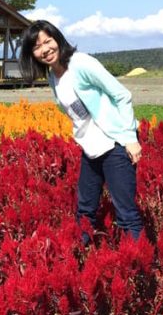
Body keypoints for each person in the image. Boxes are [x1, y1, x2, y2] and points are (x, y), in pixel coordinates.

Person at [19, 20, 144, 242]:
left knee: (126, 215)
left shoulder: (81, 63)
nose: (45, 49)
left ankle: (139, 266)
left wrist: (129, 138)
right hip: (91, 149)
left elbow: (121, 95)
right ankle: (81, 262)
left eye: (48, 41)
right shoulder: (53, 75)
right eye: (37, 47)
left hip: (114, 144)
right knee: (85, 211)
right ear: (31, 53)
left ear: (58, 39)